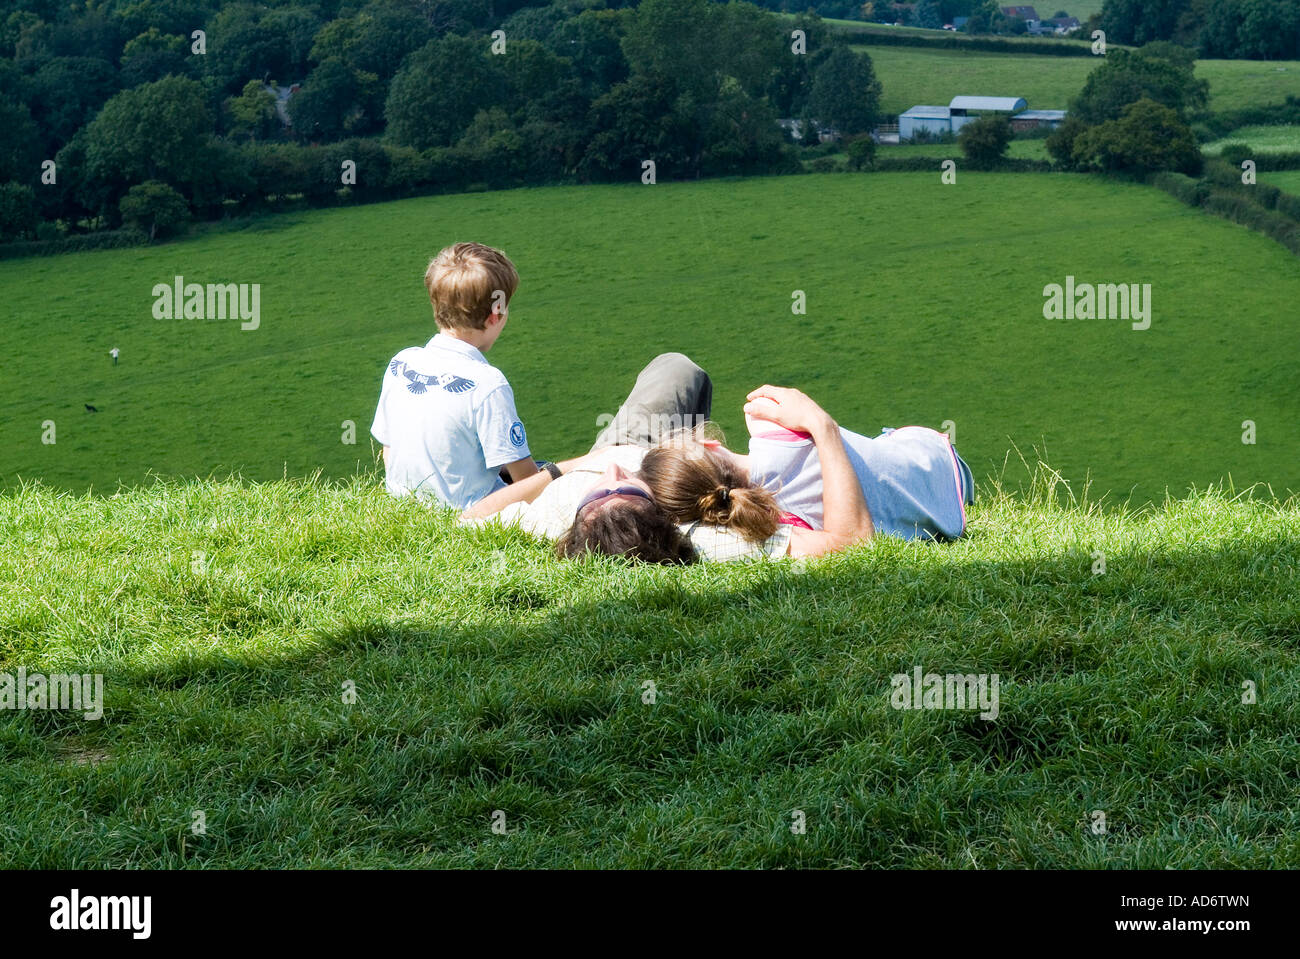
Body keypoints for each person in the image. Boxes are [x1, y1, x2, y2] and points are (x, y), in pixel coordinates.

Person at [460, 354, 904, 562]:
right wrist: (822, 427)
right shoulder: (708, 540)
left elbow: (471, 517)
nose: (612, 471)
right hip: (667, 461)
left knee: (675, 369)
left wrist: (565, 469)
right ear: (667, 515)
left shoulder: (554, 516)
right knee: (681, 371)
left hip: (626, 449)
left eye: (599, 492)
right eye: (626, 485)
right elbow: (851, 545)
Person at [370, 242, 538, 510]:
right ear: (495, 315)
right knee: (558, 474)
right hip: (471, 511)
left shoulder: (401, 363)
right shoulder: (488, 383)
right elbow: (526, 479)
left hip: (404, 503)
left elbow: (388, 447)